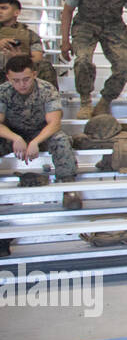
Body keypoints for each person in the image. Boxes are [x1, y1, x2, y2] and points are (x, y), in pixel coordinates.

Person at [0, 55, 82, 221]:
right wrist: (15, 138)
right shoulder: (3, 91)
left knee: (61, 139)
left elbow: (54, 123)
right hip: (13, 134)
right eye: (16, 80)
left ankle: (69, 188)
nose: (21, 84)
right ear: (8, 77)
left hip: (41, 133)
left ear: (35, 74)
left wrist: (35, 141)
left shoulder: (47, 89)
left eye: (26, 79)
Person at [0, 0, 59, 86]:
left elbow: (37, 57)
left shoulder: (30, 35)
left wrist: (19, 58)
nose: (0, 11)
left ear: (17, 12)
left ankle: (50, 97)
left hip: (20, 71)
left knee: (45, 66)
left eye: (4, 8)